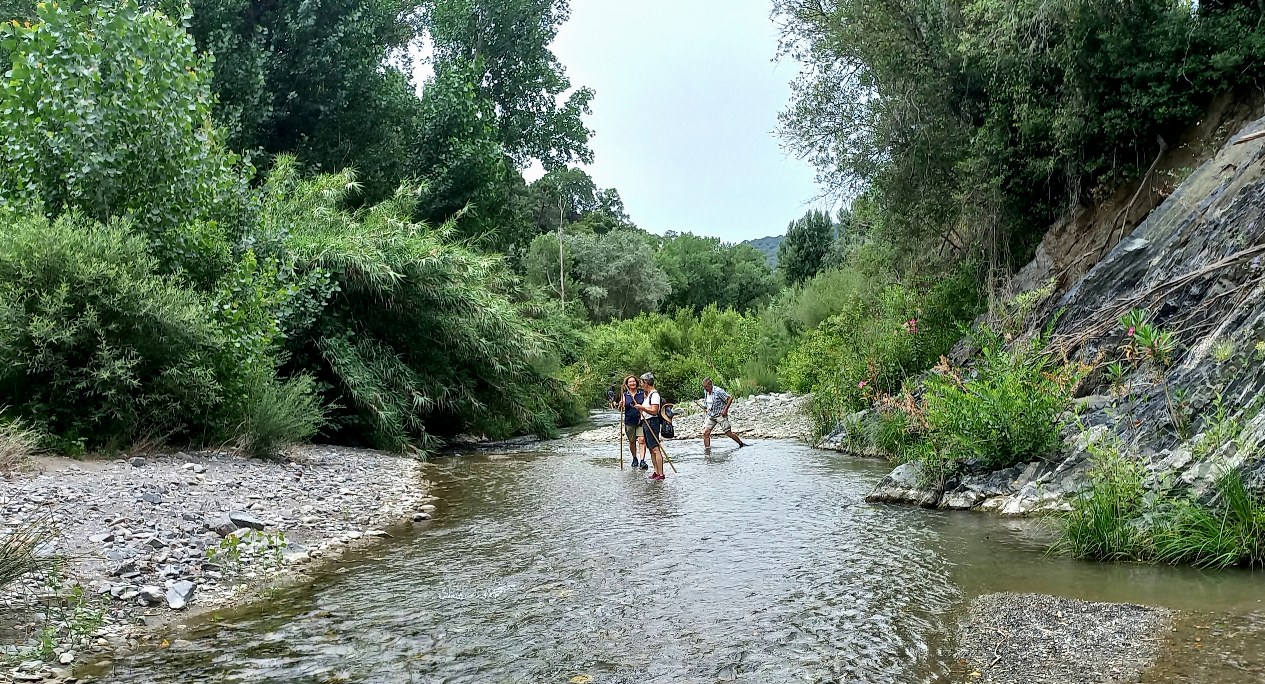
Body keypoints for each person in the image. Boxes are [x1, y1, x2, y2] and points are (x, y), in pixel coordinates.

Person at [634, 372, 668, 480]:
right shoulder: (648, 394)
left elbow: (654, 411)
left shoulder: (654, 395)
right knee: (651, 449)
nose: (640, 384)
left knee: (655, 449)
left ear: (646, 383)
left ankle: (661, 473)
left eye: (642, 382)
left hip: (652, 422)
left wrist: (642, 408)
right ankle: (656, 471)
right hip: (646, 423)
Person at [701, 377, 747, 449]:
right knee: (706, 433)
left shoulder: (718, 391)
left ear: (710, 385)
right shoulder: (705, 391)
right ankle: (707, 451)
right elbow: (708, 401)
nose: (705, 388)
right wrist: (706, 408)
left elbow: (730, 398)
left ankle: (741, 443)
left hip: (720, 415)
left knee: (728, 432)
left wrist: (725, 410)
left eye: (706, 387)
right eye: (704, 387)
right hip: (711, 415)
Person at [616, 374, 648, 470]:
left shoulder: (642, 393)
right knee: (632, 441)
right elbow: (620, 408)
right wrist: (620, 405)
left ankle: (642, 460)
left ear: (636, 383)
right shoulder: (625, 395)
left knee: (642, 440)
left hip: (641, 420)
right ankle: (634, 458)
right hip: (629, 421)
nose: (632, 383)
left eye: (634, 381)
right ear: (627, 384)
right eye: (630, 382)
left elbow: (647, 404)